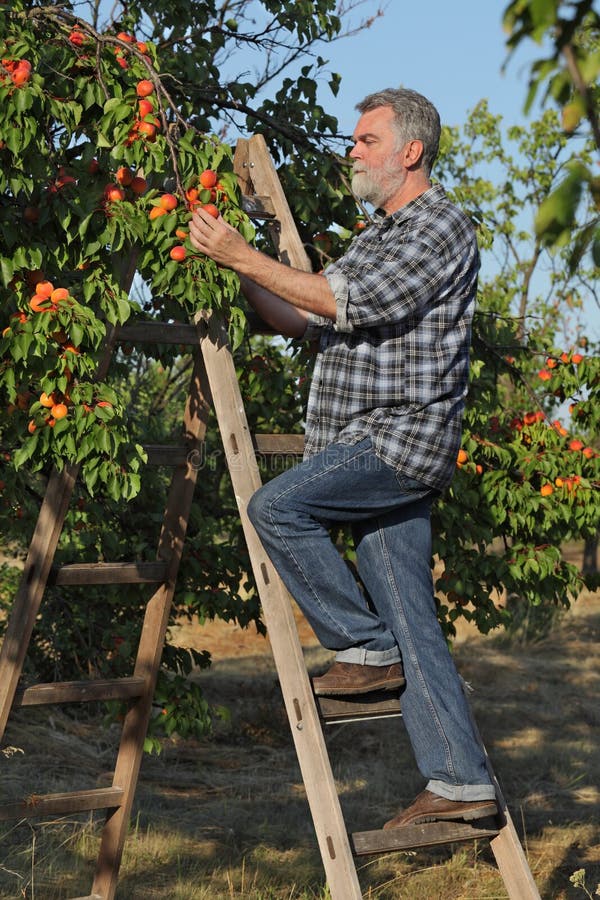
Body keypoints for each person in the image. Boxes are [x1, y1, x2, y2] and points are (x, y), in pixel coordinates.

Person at [189, 87, 498, 830]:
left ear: (409, 151)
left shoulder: (441, 225)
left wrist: (246, 252)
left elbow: (351, 303)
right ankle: (462, 785)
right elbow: (301, 315)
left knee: (276, 506)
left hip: (397, 442)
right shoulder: (375, 234)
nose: (351, 151)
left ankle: (361, 644)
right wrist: (238, 261)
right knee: (414, 624)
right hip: (364, 445)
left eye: (365, 140)